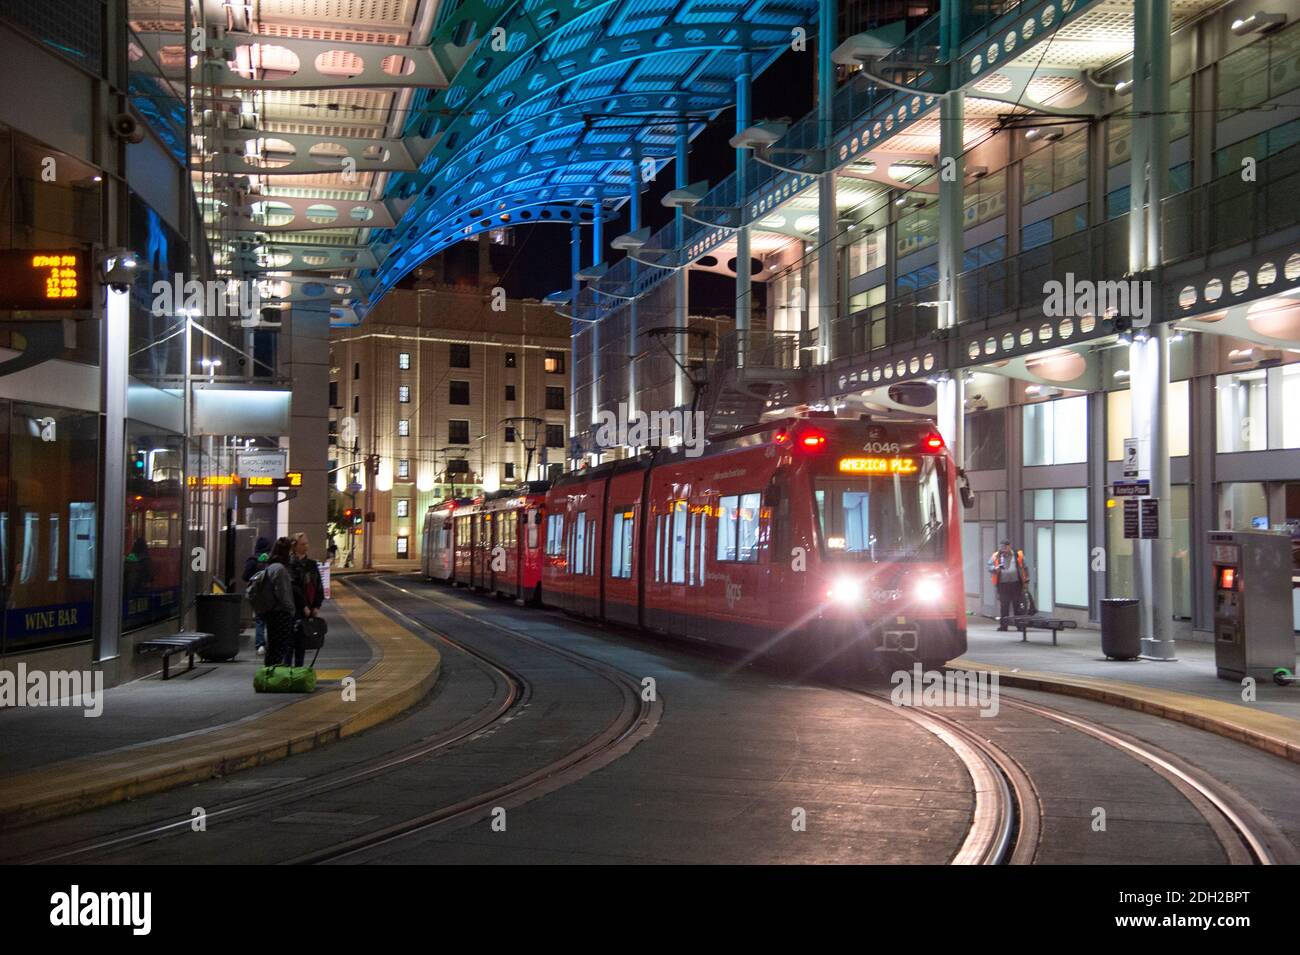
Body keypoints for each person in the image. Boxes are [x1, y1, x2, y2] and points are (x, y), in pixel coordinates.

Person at [288, 533, 324, 668]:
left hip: (308, 608)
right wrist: (303, 605)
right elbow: (293, 588)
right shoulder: (290, 564)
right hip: (294, 608)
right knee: (290, 642)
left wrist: (316, 606)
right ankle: (287, 672)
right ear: (295, 546)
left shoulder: (312, 565)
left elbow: (318, 586)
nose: (306, 546)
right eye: (303, 544)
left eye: (306, 543)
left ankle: (298, 671)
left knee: (302, 642)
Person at [260, 537, 297, 666]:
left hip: (272, 612)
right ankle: (272, 677)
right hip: (281, 613)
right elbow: (283, 593)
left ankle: (269, 675)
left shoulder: (271, 566)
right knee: (279, 648)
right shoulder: (280, 569)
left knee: (273, 647)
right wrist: (291, 609)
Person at [987, 539, 1029, 631]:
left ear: (1009, 546)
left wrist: (1026, 582)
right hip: (1003, 585)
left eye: (1005, 547)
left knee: (1017, 605)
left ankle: (1019, 626)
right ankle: (1004, 626)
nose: (1003, 549)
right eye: (1001, 547)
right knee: (1004, 606)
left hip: (1016, 584)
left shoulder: (1018, 555)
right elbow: (989, 566)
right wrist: (995, 568)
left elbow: (1025, 568)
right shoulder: (996, 556)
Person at [242, 536, 271, 654]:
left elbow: (244, 577)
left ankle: (260, 645)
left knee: (259, 619)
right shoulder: (271, 559)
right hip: (269, 594)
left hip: (256, 594)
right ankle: (272, 643)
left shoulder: (252, 560)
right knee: (270, 619)